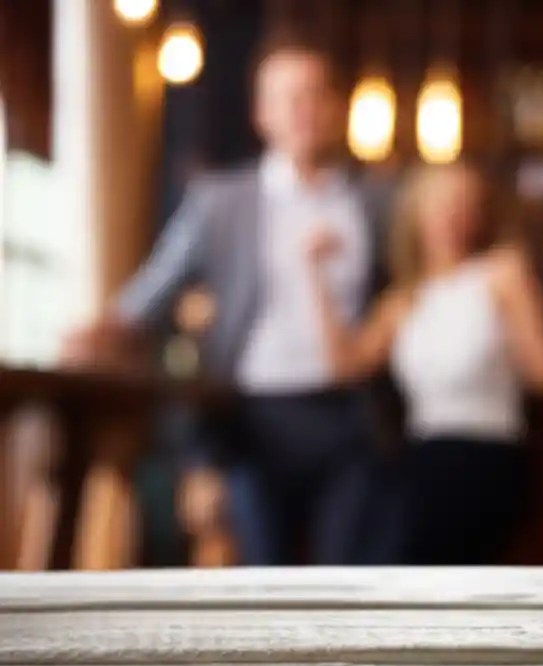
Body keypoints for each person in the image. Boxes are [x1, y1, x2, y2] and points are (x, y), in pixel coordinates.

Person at [62, 34, 383, 566]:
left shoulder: (370, 202)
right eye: (290, 97)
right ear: (263, 114)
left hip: (348, 418)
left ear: (335, 107)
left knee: (348, 581)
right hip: (253, 416)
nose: (306, 110)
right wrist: (104, 331)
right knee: (262, 579)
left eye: (316, 94)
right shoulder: (221, 201)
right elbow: (154, 289)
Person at [306, 163, 543, 564]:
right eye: (443, 203)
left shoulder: (503, 273)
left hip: (488, 453)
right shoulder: (403, 300)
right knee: (370, 512)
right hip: (423, 456)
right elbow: (345, 365)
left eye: (466, 204)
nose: (454, 215)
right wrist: (316, 277)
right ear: (416, 212)